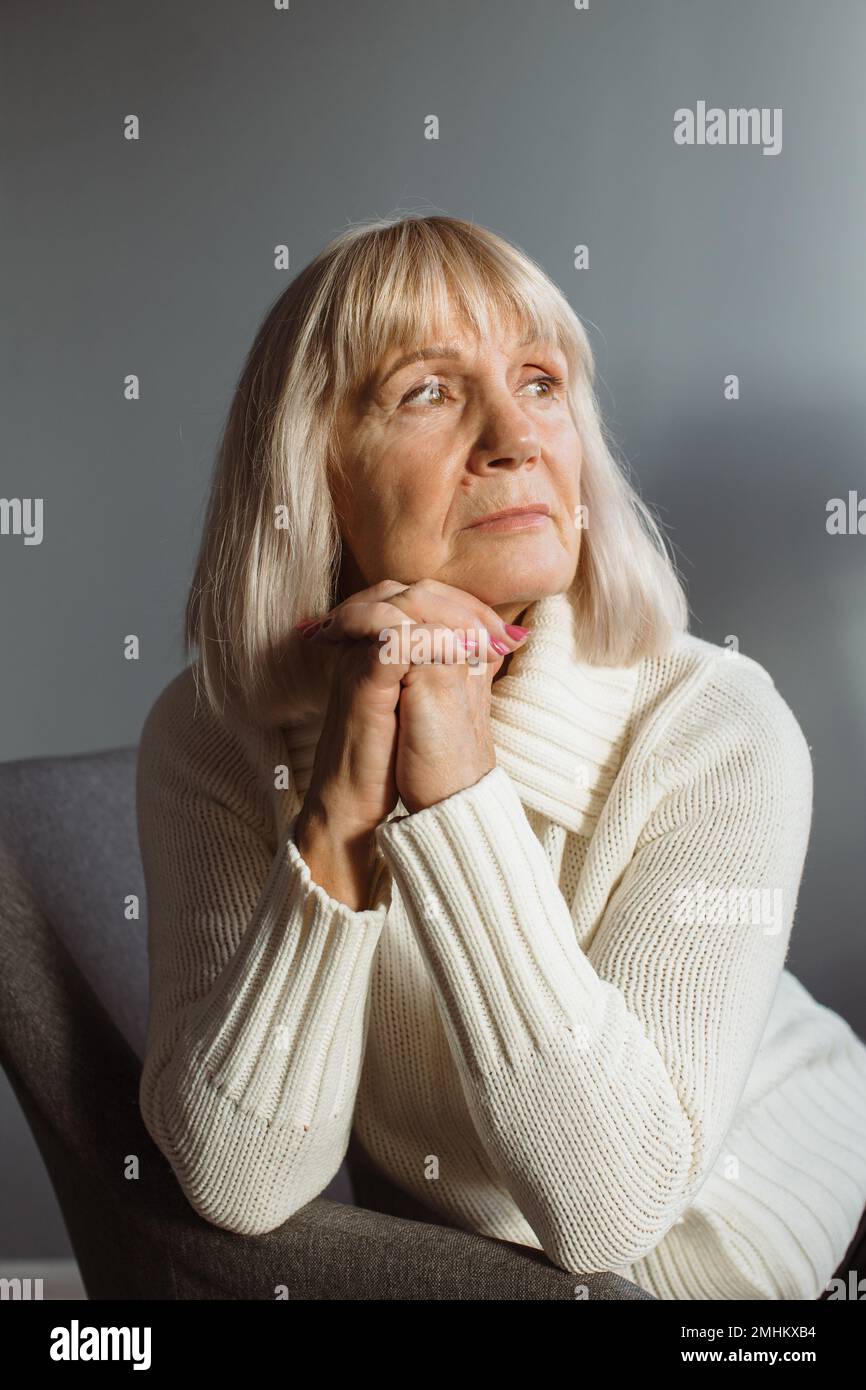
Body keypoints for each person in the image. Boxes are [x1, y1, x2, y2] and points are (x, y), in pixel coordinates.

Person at [137, 212, 866, 1300]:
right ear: (314, 466)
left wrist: (458, 789)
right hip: (485, 1256)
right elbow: (242, 1182)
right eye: (427, 390)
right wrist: (339, 817)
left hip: (745, 1210)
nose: (513, 436)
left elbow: (618, 1206)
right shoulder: (208, 735)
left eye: (539, 381)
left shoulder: (718, 724)